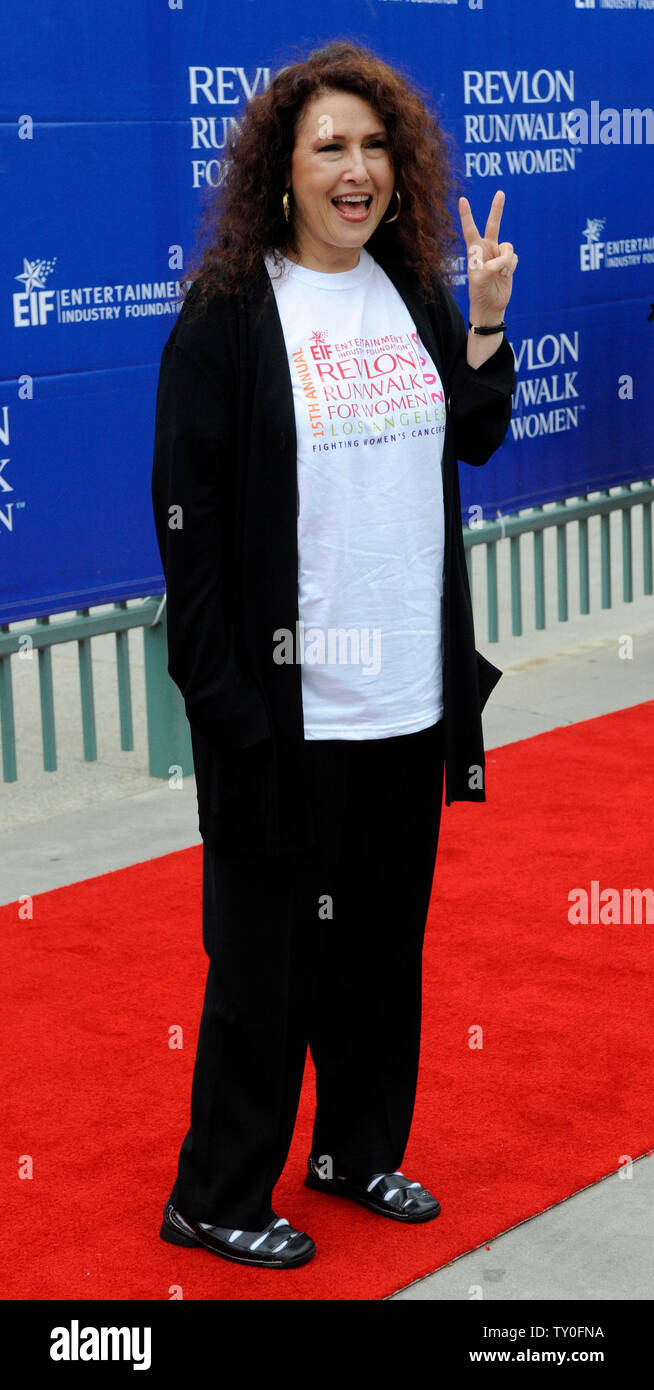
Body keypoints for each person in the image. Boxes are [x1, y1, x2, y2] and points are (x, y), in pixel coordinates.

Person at [151, 39, 517, 1271]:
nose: (355, 170)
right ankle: (212, 1193)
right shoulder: (228, 318)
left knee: (376, 947)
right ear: (283, 172)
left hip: (408, 700)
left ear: (396, 169)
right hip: (283, 707)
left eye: (372, 147)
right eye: (329, 149)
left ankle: (356, 1149)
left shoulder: (411, 293)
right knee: (265, 963)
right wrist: (225, 706)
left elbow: (471, 441)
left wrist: (485, 322)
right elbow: (188, 539)